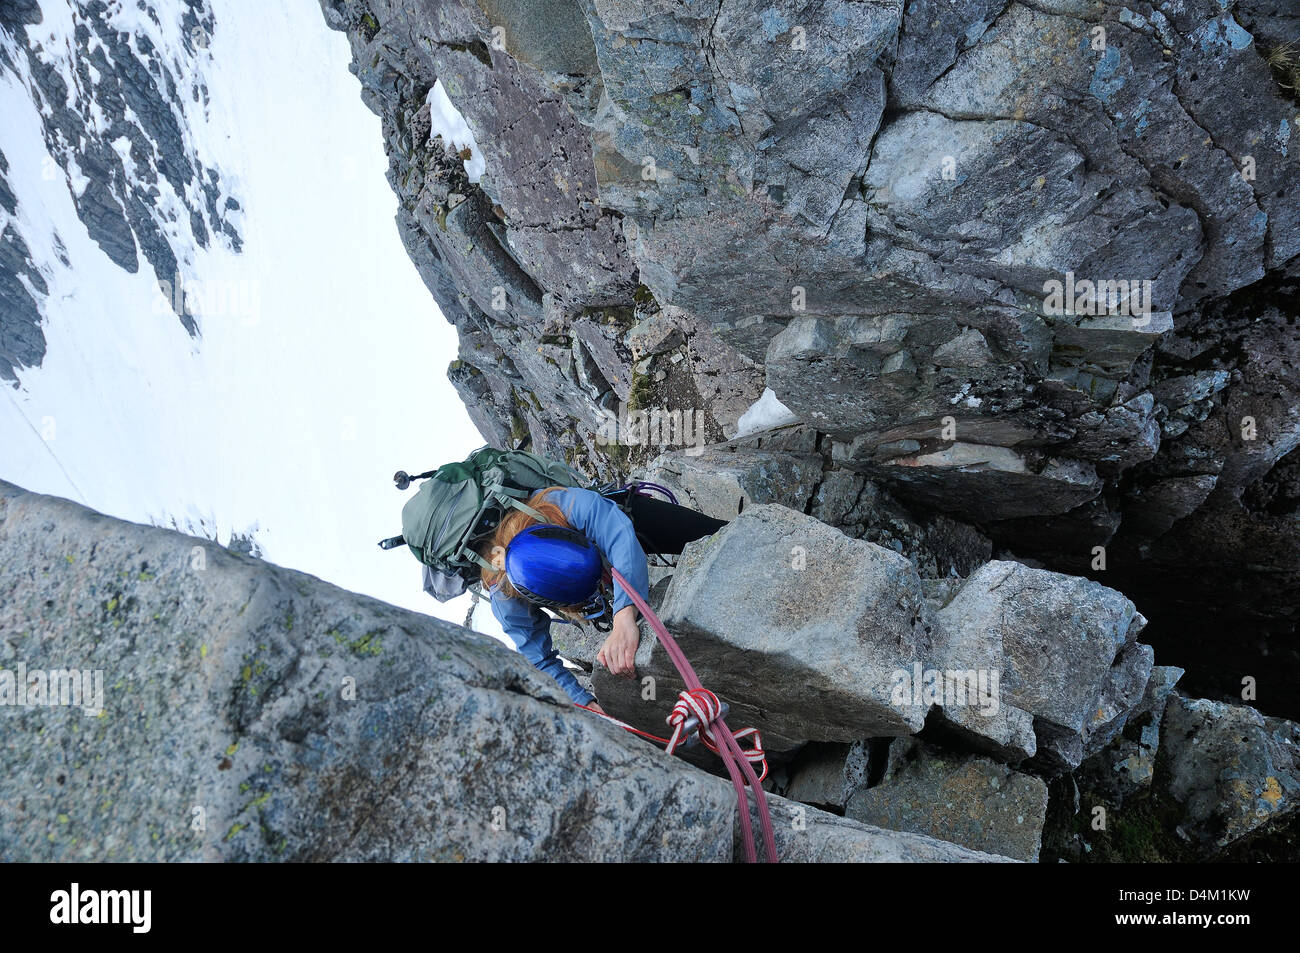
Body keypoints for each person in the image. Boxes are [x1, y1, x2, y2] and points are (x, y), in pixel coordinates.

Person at [479, 485, 727, 714]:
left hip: (615, 519)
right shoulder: (505, 597)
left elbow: (619, 535)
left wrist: (624, 617)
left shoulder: (560, 504)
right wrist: (584, 703)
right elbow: (538, 660)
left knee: (722, 535)